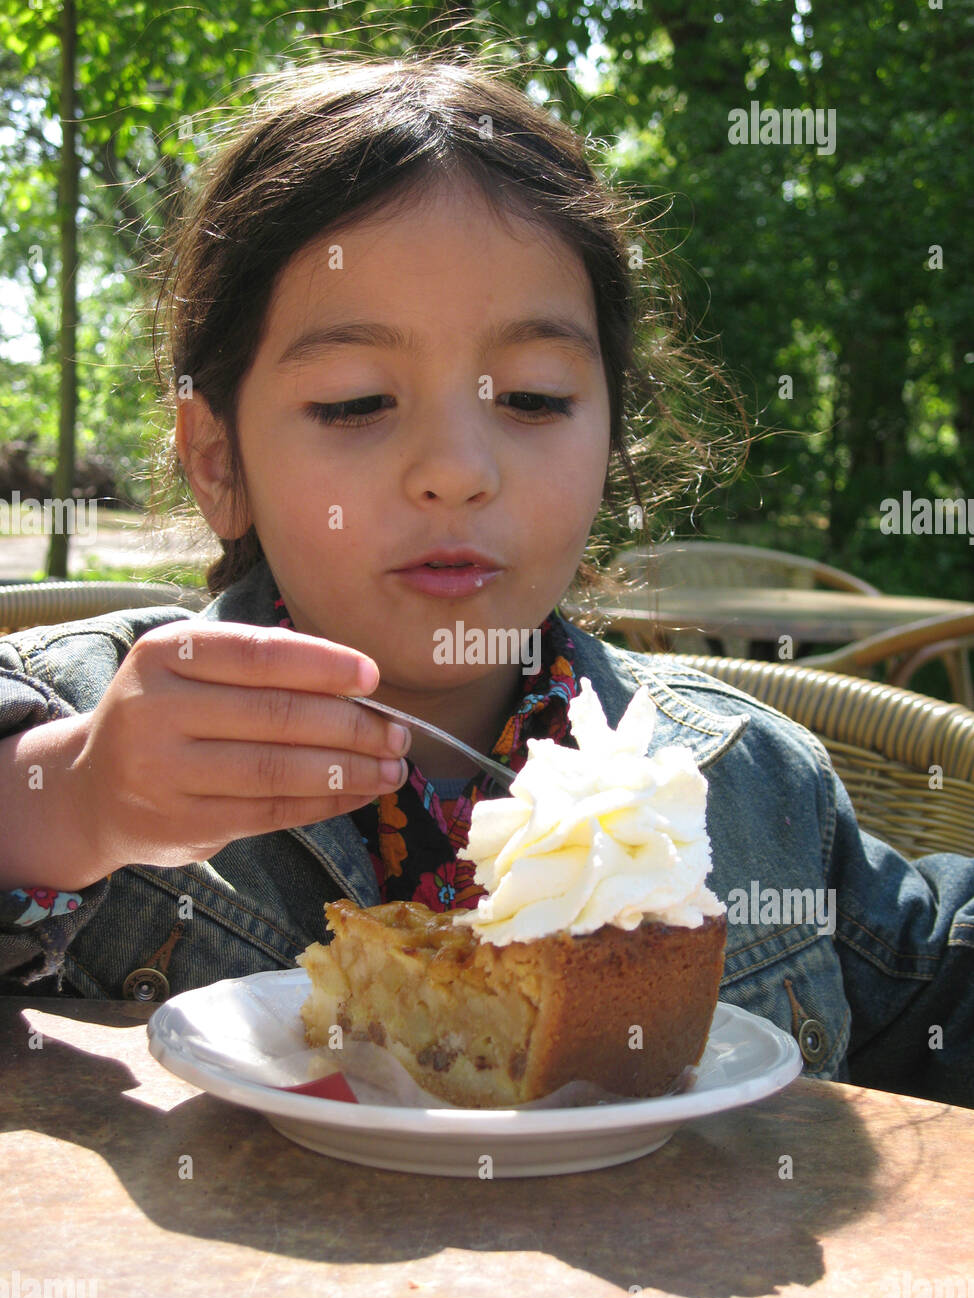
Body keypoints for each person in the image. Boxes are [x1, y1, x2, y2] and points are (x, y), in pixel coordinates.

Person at [1, 51, 972, 1110]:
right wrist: (73, 801)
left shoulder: (746, 791)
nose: (457, 470)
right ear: (220, 461)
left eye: (532, 395)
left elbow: (934, 980)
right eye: (357, 401)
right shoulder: (89, 720)